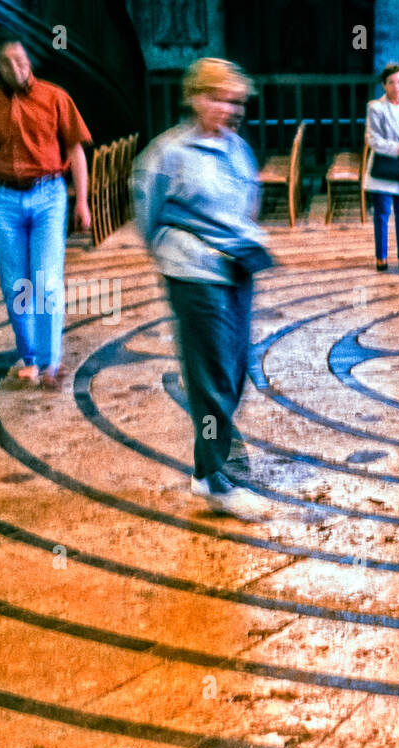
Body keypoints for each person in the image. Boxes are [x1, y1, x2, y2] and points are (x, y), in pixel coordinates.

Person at [132, 58, 274, 522]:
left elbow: (248, 204)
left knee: (234, 369)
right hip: (192, 274)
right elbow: (147, 214)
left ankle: (205, 469)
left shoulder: (238, 150)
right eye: (218, 98)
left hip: (235, 271)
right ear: (194, 97)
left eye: (235, 101)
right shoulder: (167, 153)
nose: (228, 109)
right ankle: (214, 480)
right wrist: (176, 257)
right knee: (210, 375)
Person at [0, 28, 92, 390]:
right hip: (2, 201)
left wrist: (82, 200)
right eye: (6, 61)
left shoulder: (55, 97)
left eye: (20, 58)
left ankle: (51, 363)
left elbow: (76, 150)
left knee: (45, 282)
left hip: (49, 197)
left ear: (28, 56)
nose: (15, 66)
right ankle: (30, 358)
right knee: (15, 286)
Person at [365, 63, 399, 271]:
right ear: (384, 85)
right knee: (382, 214)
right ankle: (381, 256)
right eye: (391, 82)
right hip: (384, 165)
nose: (396, 87)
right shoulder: (375, 107)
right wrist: (396, 148)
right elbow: (372, 138)